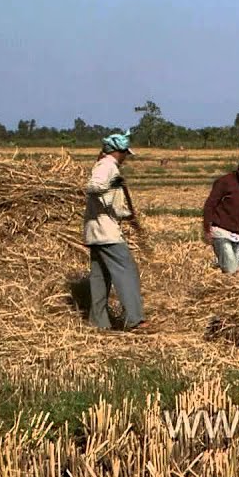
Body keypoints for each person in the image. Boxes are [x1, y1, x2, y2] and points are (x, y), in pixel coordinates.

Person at [83, 132, 149, 331]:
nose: (126, 157)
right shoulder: (107, 166)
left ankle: (99, 322)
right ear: (118, 152)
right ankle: (135, 320)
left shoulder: (105, 165)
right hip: (106, 232)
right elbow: (93, 187)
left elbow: (110, 201)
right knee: (127, 272)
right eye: (125, 153)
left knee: (100, 277)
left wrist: (127, 215)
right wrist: (113, 184)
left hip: (95, 231)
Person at [201, 157, 239, 274]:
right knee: (230, 270)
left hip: (235, 232)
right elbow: (210, 205)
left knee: (234, 269)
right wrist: (207, 228)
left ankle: (218, 264)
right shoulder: (224, 182)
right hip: (219, 229)